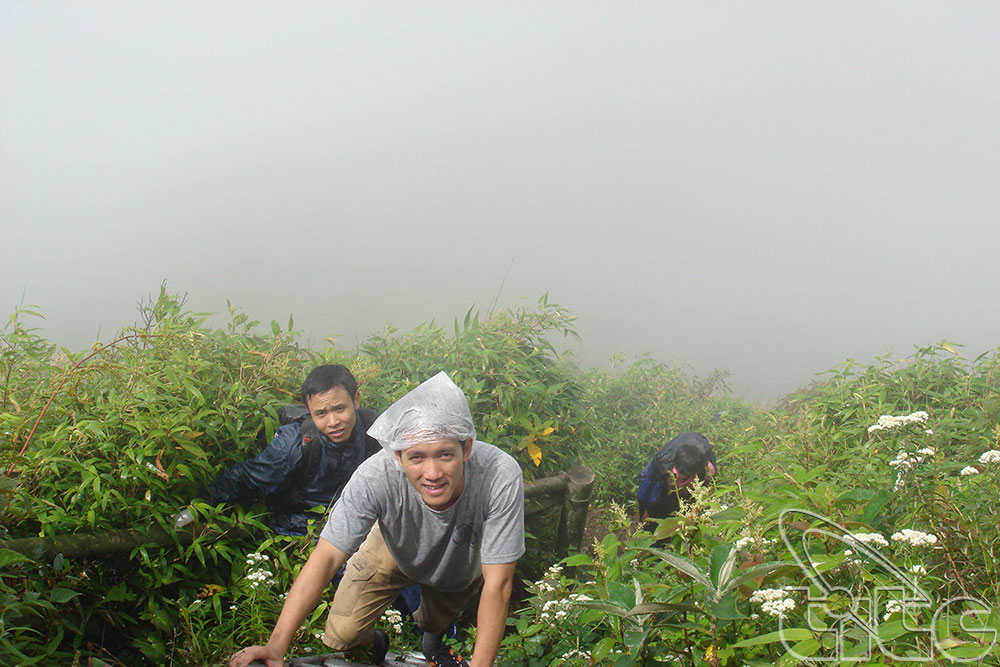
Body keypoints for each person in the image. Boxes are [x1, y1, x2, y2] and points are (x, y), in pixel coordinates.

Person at [229, 371, 525, 667]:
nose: (432, 473)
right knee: (341, 635)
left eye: (445, 455)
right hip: (391, 545)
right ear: (397, 457)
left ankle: (433, 638)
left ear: (467, 448)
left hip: (457, 556)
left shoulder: (499, 475)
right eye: (417, 457)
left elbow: (498, 583)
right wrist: (276, 645)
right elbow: (327, 557)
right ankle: (376, 642)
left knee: (434, 625)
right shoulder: (376, 475)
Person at [198, 364, 380, 536]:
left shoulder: (374, 427)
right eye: (321, 413)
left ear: (356, 400)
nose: (333, 422)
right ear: (309, 411)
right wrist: (197, 508)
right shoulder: (294, 444)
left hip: (359, 523)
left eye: (339, 409)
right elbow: (246, 477)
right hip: (303, 529)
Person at [638, 431, 717, 521]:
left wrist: (695, 512)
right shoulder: (662, 465)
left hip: (697, 443)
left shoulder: (708, 470)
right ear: (674, 469)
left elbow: (708, 492)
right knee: (647, 488)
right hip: (669, 454)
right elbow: (648, 487)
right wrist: (646, 510)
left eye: (684, 479)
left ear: (695, 476)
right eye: (676, 477)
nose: (679, 486)